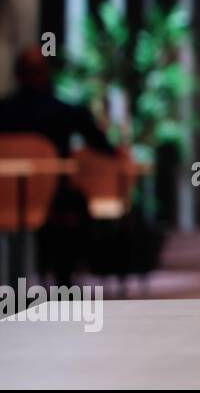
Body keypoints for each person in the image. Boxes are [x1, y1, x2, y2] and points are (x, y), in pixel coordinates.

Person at [0, 46, 117, 285]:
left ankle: (15, 284)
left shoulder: (3, 111)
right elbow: (101, 145)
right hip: (53, 201)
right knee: (76, 205)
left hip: (3, 200)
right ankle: (65, 282)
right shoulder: (64, 111)